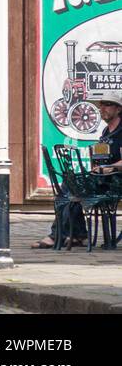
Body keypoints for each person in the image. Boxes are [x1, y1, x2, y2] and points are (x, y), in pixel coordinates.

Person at [35, 90, 122, 248]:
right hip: (103, 178)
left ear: (118, 109)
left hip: (116, 181)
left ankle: (59, 235)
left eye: (108, 105)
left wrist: (109, 167)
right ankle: (78, 235)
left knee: (71, 187)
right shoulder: (106, 131)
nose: (103, 109)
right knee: (71, 184)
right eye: (101, 105)